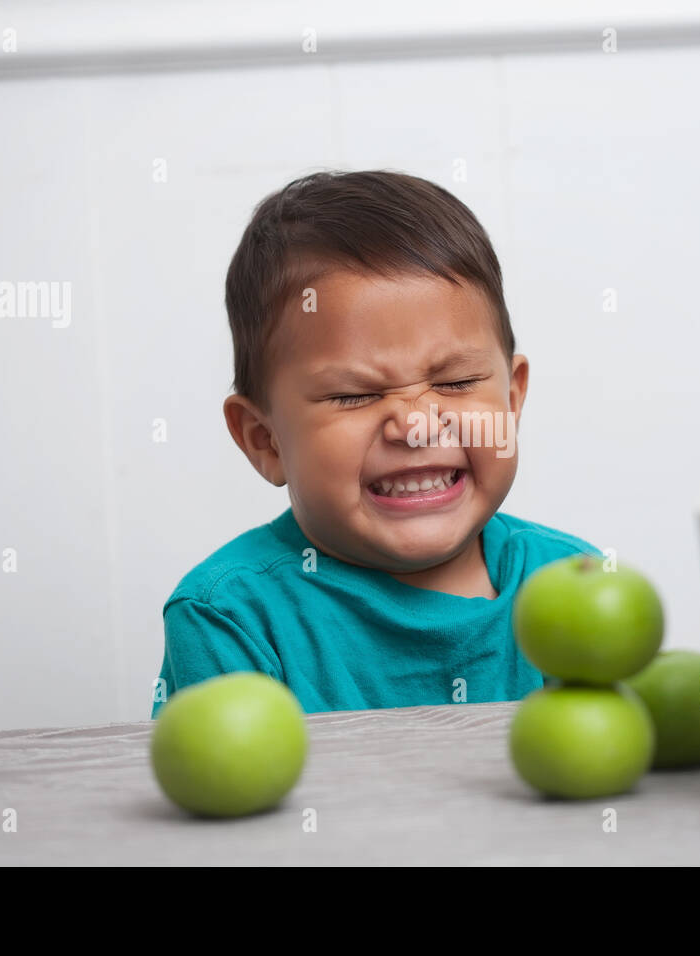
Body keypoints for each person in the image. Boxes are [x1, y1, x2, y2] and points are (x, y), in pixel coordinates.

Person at [151, 169, 600, 717]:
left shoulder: (576, 583)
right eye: (353, 395)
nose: (415, 426)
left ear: (510, 401)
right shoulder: (229, 617)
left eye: (456, 383)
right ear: (264, 440)